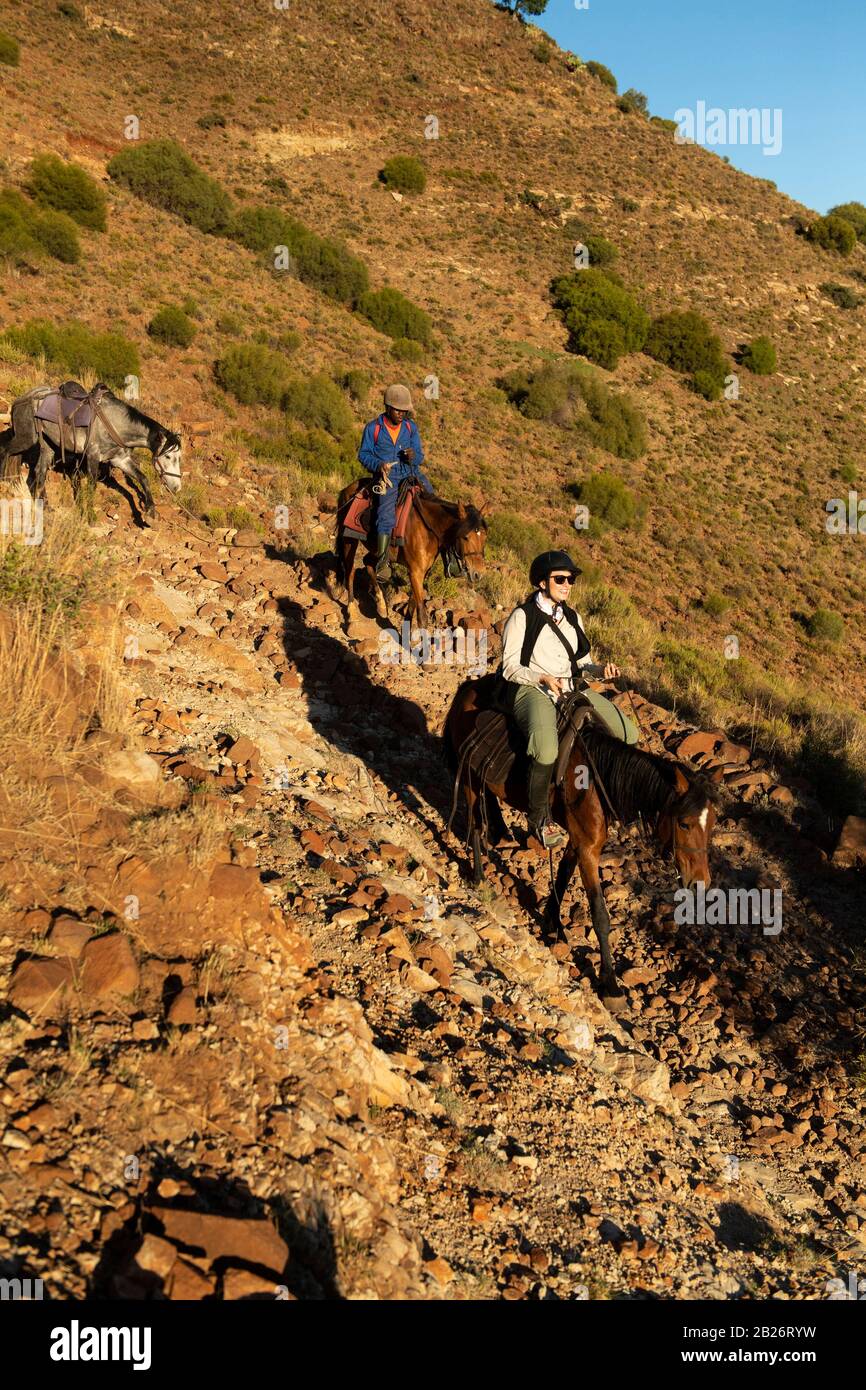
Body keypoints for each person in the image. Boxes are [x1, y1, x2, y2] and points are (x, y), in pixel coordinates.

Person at [496, 549, 640, 849]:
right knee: (546, 749)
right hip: (533, 688)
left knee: (629, 733)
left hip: (571, 687)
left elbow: (583, 662)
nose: (567, 584)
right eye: (560, 578)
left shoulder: (574, 617)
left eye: (571, 579)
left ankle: (609, 799)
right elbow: (510, 666)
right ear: (541, 583)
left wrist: (601, 670)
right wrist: (541, 677)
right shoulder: (522, 616)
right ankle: (538, 817)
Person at [358, 383, 432, 578]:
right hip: (388, 478)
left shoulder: (410, 427)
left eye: (404, 411)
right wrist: (379, 465)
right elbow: (363, 455)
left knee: (433, 503)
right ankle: (382, 561)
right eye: (398, 410)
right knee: (385, 513)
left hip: (411, 473)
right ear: (387, 407)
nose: (401, 414)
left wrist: (413, 456)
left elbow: (420, 456)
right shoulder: (373, 428)